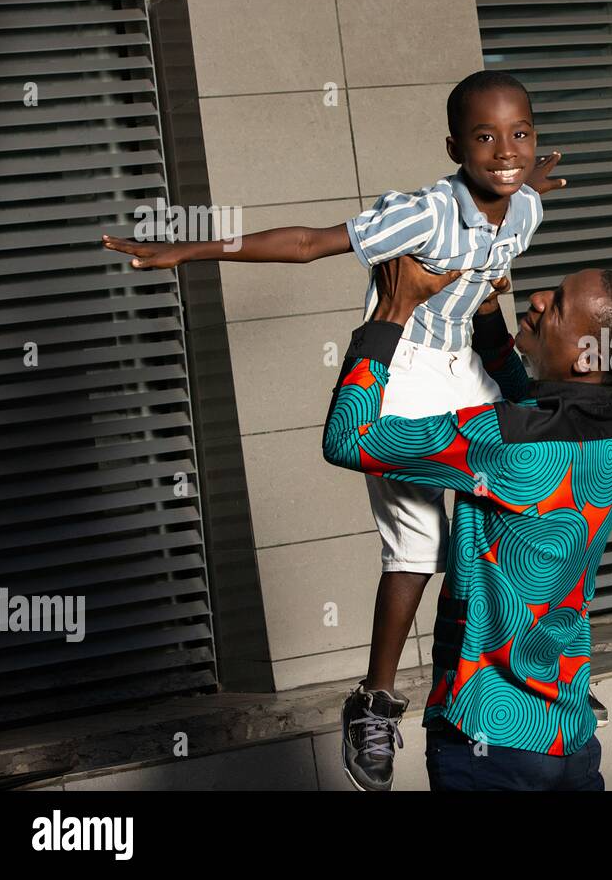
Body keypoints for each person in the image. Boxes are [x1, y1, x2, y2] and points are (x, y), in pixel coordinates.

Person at [102, 70, 565, 791]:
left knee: (533, 494)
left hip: (462, 364)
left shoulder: (528, 207)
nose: (504, 150)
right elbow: (308, 242)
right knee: (422, 542)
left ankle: (520, 667)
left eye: (519, 135)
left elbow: (487, 291)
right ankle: (374, 700)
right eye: (484, 137)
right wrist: (189, 250)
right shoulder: (422, 214)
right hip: (400, 365)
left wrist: (520, 179)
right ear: (454, 146)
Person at [322, 252, 612, 790]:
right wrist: (486, 313)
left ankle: (373, 697)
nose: (537, 299)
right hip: (567, 732)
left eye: (556, 307)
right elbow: (532, 400)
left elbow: (349, 439)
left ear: (586, 356)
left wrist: (389, 314)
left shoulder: (504, 441)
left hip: (487, 735)